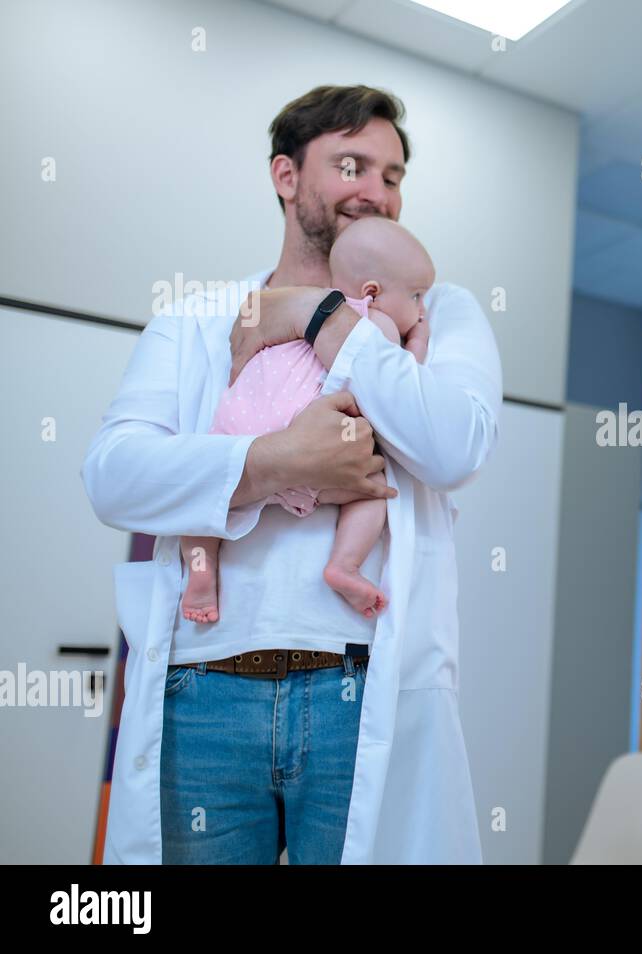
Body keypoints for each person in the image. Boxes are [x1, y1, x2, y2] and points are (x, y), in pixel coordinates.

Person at [82, 84, 502, 864]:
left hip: (360, 686)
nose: (377, 191)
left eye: (394, 174)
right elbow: (113, 475)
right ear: (285, 175)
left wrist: (318, 318)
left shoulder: (433, 309)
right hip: (205, 690)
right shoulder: (198, 320)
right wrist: (275, 463)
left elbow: (454, 446)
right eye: (353, 164)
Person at [179, 217, 436, 624]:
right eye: (418, 296)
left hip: (243, 430)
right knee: (373, 491)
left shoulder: (294, 310)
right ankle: (343, 566)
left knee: (206, 503)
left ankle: (201, 572)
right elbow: (398, 387)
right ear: (373, 292)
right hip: (315, 444)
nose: (422, 309)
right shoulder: (373, 324)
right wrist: (417, 344)